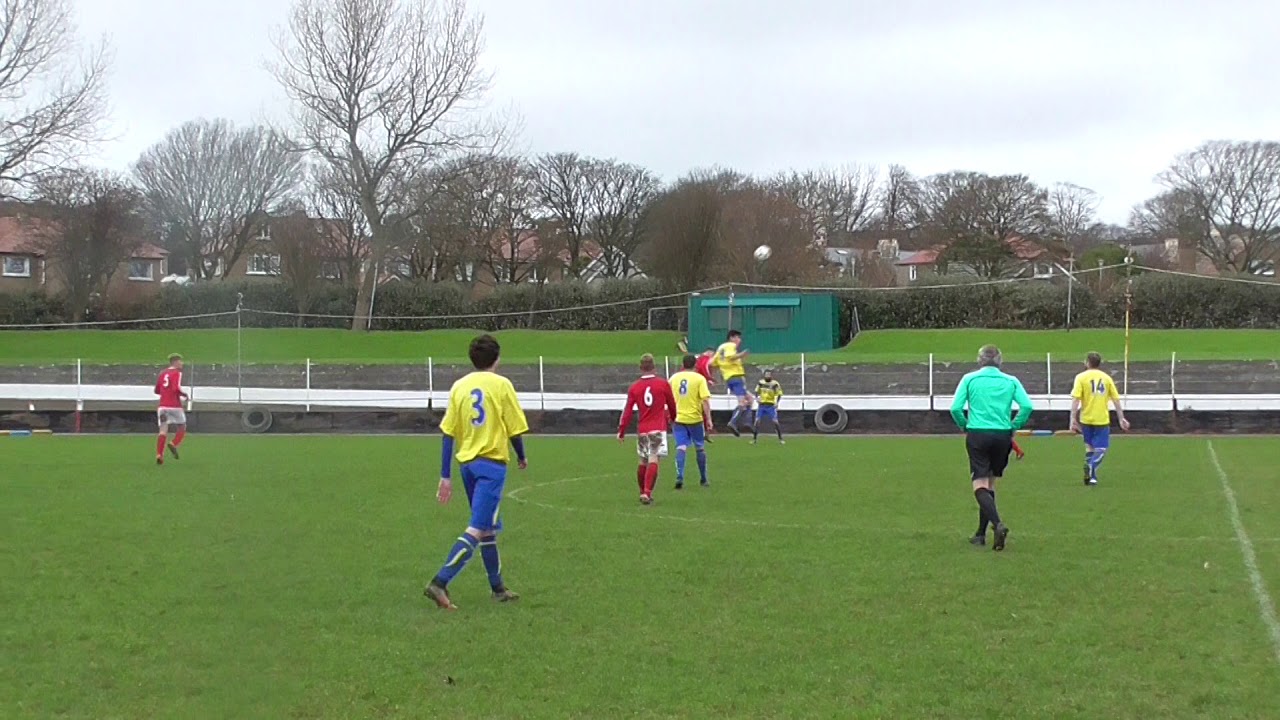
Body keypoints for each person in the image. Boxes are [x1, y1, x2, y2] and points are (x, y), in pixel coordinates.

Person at [425, 335, 528, 611]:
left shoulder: (460, 386)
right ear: (497, 358)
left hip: (467, 465)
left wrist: (445, 475)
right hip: (491, 466)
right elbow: (514, 428)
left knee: (489, 527)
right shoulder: (502, 384)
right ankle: (440, 581)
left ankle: (498, 588)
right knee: (478, 527)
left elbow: (448, 433)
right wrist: (522, 455)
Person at [949, 345, 1033, 551]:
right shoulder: (1010, 381)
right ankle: (980, 534)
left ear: (979, 360)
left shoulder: (969, 379)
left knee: (979, 484)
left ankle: (997, 524)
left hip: (978, 433)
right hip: (1002, 435)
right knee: (990, 484)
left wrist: (963, 425)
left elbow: (955, 408)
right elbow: (1027, 406)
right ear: (1000, 361)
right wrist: (1014, 425)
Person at [618, 354, 677, 505]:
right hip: (657, 428)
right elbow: (672, 404)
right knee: (653, 458)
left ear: (640, 368)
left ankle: (642, 491)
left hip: (642, 428)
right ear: (654, 367)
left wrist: (622, 430)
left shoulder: (634, 387)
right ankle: (647, 492)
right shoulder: (663, 384)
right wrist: (673, 418)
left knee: (642, 460)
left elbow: (628, 410)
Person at [1070, 352, 1131, 486]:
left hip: (1086, 418)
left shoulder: (1080, 377)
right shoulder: (1106, 378)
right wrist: (1121, 418)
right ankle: (1091, 467)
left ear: (1087, 362)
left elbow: (1076, 399)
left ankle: (1092, 477)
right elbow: (1115, 399)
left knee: (1089, 447)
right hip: (1101, 419)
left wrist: (1072, 419)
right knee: (1102, 448)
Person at [669, 354, 713, 489]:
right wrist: (709, 419)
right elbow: (705, 400)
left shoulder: (673, 378)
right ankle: (703, 478)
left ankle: (679, 476)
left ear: (683, 364)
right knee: (699, 447)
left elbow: (668, 397)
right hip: (695, 419)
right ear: (695, 365)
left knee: (681, 447)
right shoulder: (699, 379)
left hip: (678, 418)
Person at [713, 331, 753, 436]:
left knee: (749, 399)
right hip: (736, 377)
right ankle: (733, 422)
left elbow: (713, 363)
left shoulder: (720, 348)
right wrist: (742, 354)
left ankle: (747, 423)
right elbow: (730, 357)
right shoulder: (730, 346)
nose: (739, 340)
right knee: (743, 402)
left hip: (729, 378)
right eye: (738, 338)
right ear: (732, 338)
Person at [154, 354, 188, 465]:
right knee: (182, 426)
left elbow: (157, 390)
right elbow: (176, 388)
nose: (182, 363)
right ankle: (174, 443)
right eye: (180, 361)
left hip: (162, 406)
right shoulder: (177, 373)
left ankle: (159, 454)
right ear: (175, 362)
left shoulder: (162, 373)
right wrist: (184, 395)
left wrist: (165, 393)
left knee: (163, 429)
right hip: (174, 406)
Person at [751, 370, 785, 444]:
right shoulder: (761, 382)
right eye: (766, 375)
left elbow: (779, 393)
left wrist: (777, 402)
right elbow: (756, 391)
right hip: (762, 405)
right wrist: (757, 398)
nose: (767, 376)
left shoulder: (775, 384)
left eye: (769, 375)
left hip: (770, 405)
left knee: (775, 421)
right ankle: (754, 439)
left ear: (771, 376)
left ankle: (781, 439)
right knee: (757, 421)